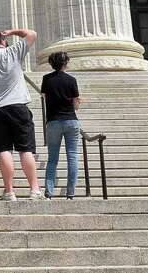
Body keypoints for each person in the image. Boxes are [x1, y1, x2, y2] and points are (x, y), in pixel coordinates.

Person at [0, 28, 42, 201]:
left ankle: (9, 190)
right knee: (25, 150)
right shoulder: (13, 52)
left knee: (4, 150)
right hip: (18, 106)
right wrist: (12, 31)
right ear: (3, 41)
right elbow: (32, 34)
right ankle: (34, 190)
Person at [41, 50, 82, 199]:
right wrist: (77, 102)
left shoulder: (46, 79)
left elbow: (45, 97)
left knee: (52, 159)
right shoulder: (71, 80)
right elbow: (75, 105)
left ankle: (49, 192)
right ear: (65, 63)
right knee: (72, 157)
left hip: (53, 121)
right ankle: (70, 193)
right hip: (71, 120)